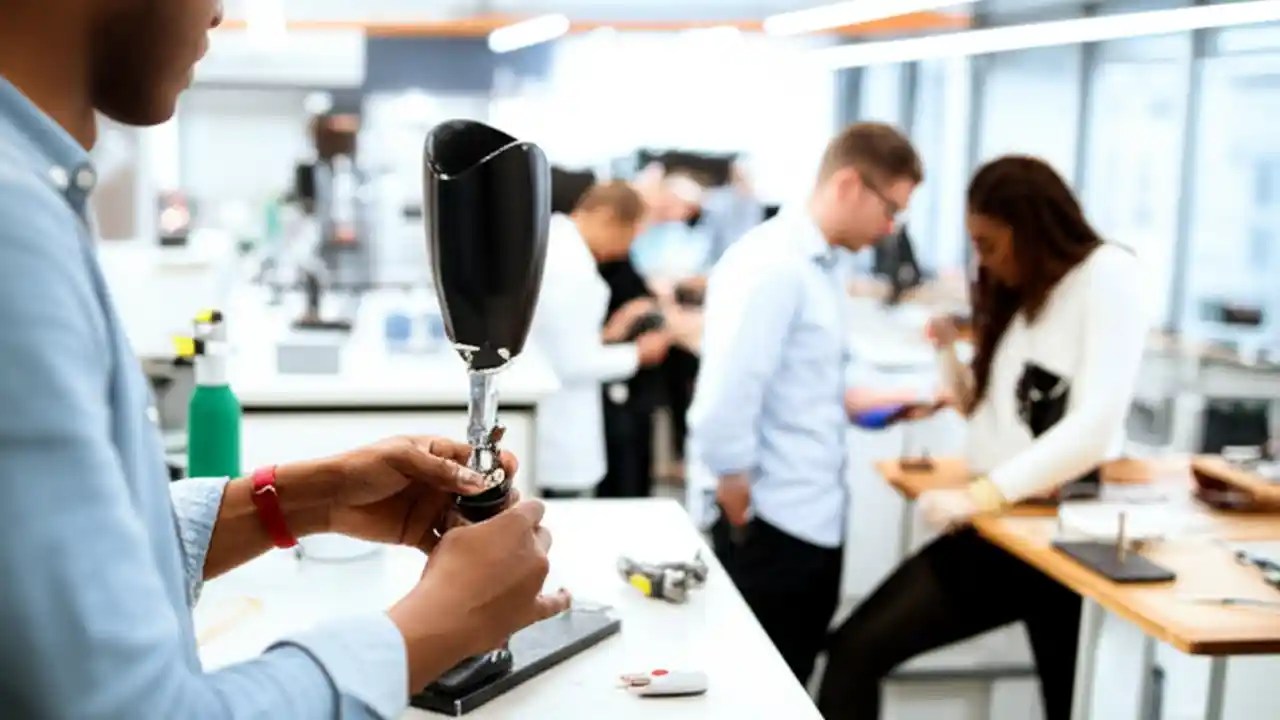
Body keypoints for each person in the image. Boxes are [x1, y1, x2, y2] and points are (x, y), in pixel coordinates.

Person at [0, 3, 569, 717]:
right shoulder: (12, 230)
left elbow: (63, 572)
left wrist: (304, 498)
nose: (218, 12)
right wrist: (435, 627)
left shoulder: (35, 194)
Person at [818, 156, 1147, 720]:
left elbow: (1094, 430)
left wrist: (979, 497)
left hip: (1049, 531)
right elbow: (980, 407)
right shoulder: (1029, 293)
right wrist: (947, 350)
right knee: (855, 651)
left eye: (990, 244)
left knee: (1065, 699)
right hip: (1004, 525)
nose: (984, 260)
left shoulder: (1107, 273)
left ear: (1032, 226)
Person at [687, 122, 924, 685]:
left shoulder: (820, 266)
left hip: (809, 519)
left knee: (790, 684)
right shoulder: (773, 265)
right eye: (890, 209)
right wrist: (734, 487)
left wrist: (876, 402)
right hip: (773, 524)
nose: (890, 228)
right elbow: (726, 395)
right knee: (761, 693)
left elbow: (806, 383)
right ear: (848, 184)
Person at [529, 182, 671, 497]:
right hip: (561, 424)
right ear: (607, 218)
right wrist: (637, 354)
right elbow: (572, 363)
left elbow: (558, 337)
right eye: (629, 236)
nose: (624, 250)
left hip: (553, 418)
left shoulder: (556, 244)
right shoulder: (571, 269)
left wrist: (609, 335)